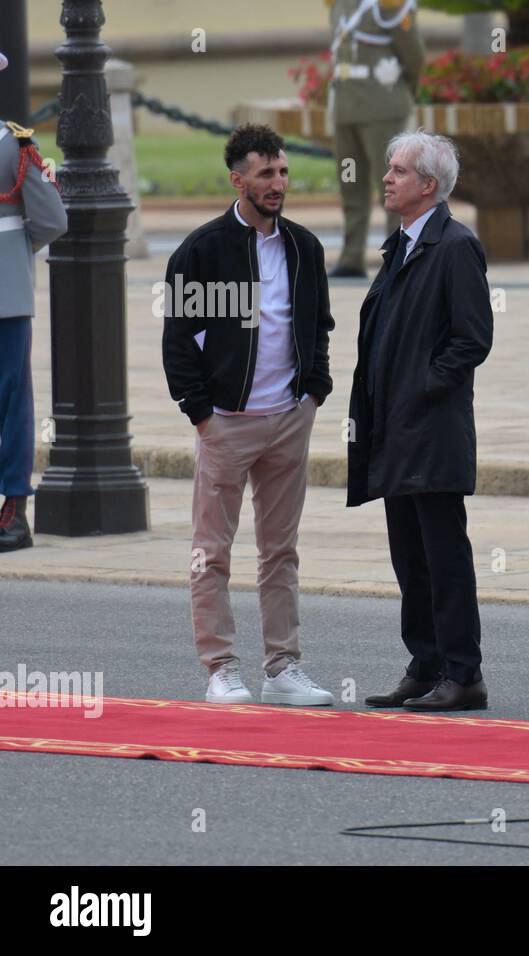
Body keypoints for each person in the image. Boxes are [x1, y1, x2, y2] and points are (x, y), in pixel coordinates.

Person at [161, 125, 336, 705]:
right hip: (226, 424)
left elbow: (319, 328)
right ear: (238, 180)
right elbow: (178, 339)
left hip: (289, 418)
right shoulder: (202, 250)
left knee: (280, 550)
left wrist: (313, 392)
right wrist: (201, 414)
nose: (277, 183)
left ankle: (282, 666)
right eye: (265, 174)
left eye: (282, 172)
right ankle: (220, 667)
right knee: (211, 551)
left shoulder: (303, 247)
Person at [349, 131, 493, 712]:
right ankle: (426, 662)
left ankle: (464, 673)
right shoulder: (401, 245)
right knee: (409, 554)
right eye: (388, 168)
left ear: (429, 186)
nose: (386, 177)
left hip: (431, 430)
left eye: (399, 170)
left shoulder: (455, 246)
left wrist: (420, 389)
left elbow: (471, 339)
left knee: (443, 556)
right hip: (394, 430)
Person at [0, 48, 66, 553]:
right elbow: (49, 222)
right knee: (11, 401)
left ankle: (13, 507)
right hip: (7, 292)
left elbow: (50, 221)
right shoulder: (14, 147)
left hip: (7, 297)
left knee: (12, 401)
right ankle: (13, 510)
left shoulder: (14, 146)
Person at [328, 0, 425, 278]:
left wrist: (400, 94)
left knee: (394, 184)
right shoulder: (339, 5)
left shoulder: (390, 5)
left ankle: (399, 255)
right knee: (351, 185)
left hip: (381, 106)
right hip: (346, 107)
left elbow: (414, 57)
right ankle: (352, 256)